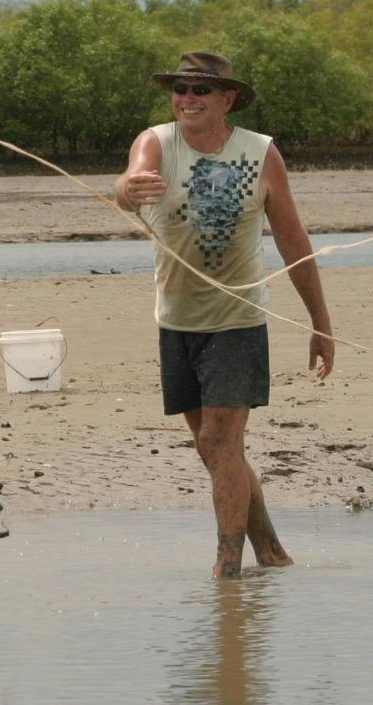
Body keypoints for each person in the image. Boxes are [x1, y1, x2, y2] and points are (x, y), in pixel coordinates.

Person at [113, 51, 334, 578]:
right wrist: (129, 191)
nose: (187, 98)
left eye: (201, 90)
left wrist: (320, 323)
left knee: (219, 442)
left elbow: (291, 237)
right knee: (215, 450)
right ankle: (273, 554)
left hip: (237, 320)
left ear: (227, 99)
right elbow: (128, 184)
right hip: (177, 319)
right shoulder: (156, 141)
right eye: (181, 89)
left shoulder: (260, 153)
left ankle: (227, 570)